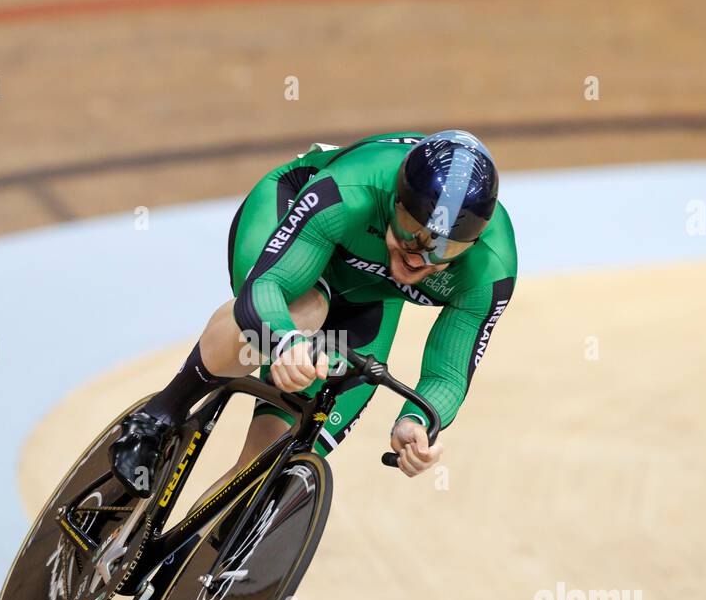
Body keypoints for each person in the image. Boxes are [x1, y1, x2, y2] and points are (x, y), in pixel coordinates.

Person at [109, 130, 517, 495]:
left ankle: (177, 565)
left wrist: (417, 423)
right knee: (304, 311)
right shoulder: (351, 192)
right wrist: (283, 342)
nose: (421, 255)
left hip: (366, 292)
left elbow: (447, 374)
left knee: (272, 469)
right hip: (292, 225)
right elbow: (268, 287)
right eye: (412, 228)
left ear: (476, 240)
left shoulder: (490, 270)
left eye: (447, 248)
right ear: (394, 201)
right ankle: (160, 414)